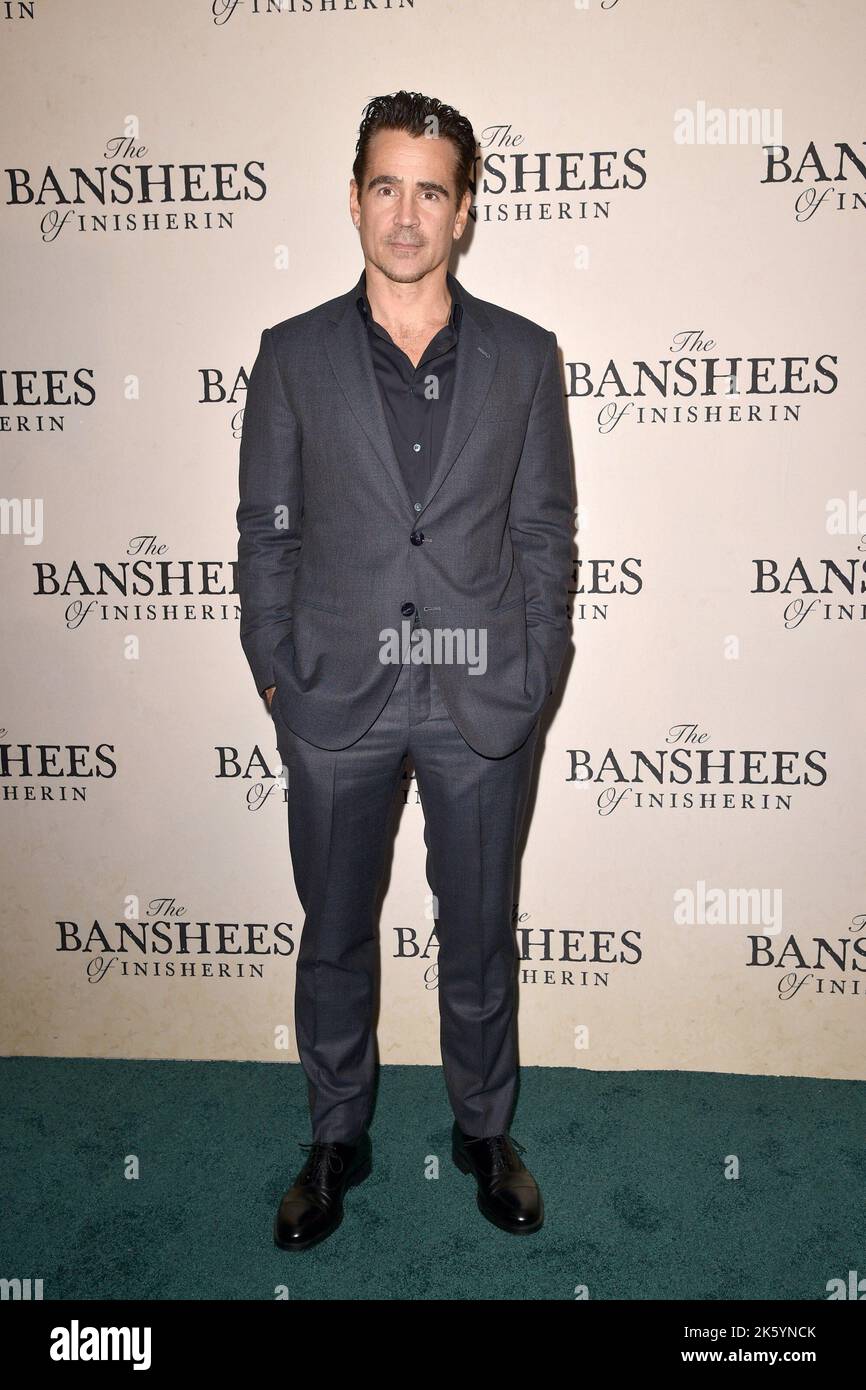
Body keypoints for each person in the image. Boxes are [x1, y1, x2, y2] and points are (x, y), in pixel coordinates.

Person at [236, 90, 573, 1250]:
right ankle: (335, 1135)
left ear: (463, 209)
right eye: (385, 185)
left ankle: (484, 1128)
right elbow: (266, 534)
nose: (405, 213)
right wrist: (275, 669)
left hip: (480, 690)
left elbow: (542, 537)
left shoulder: (527, 357)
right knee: (332, 931)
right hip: (336, 692)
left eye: (431, 189)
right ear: (353, 198)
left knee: (478, 928)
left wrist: (534, 671)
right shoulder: (291, 356)